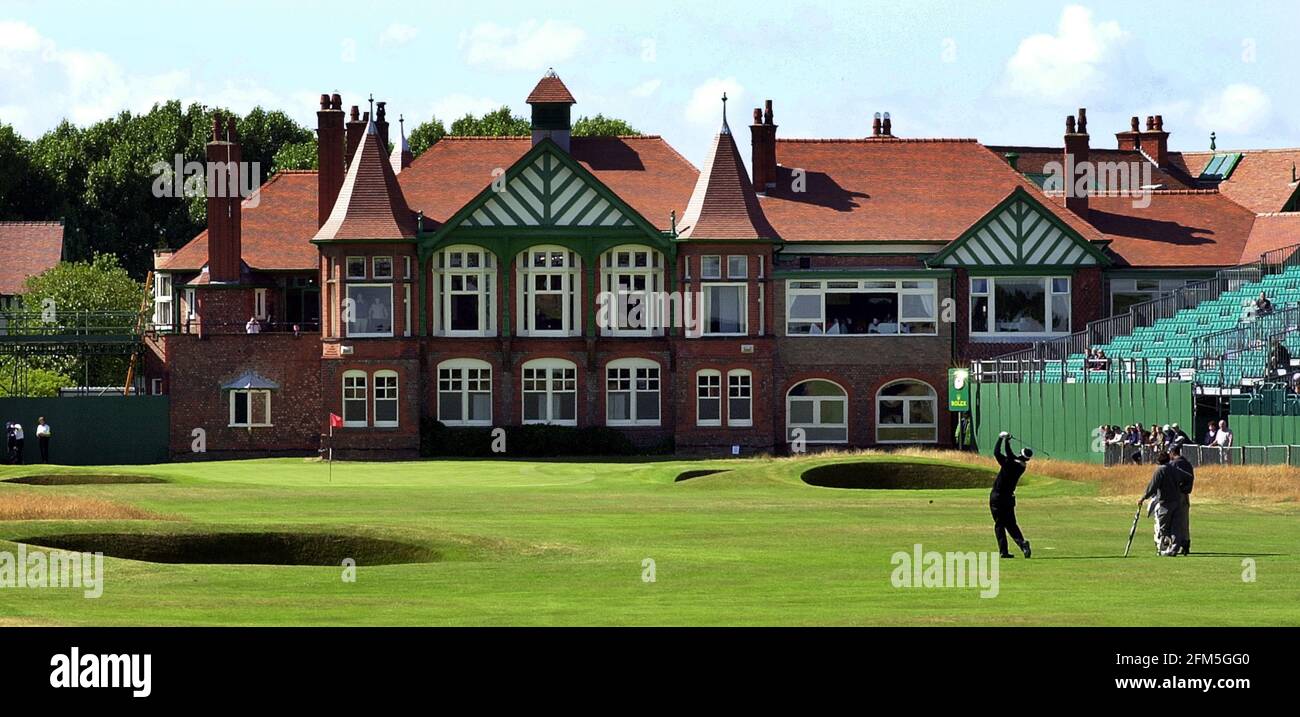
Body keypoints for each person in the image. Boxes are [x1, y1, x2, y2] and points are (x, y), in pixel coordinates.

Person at [991, 432, 1032, 559]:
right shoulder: (1021, 466)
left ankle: (1003, 551)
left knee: (999, 525)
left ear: (1020, 453)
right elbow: (1008, 454)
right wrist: (1006, 441)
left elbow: (997, 453)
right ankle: (1022, 544)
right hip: (1009, 498)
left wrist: (1002, 439)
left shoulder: (1010, 462)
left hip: (997, 497)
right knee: (1011, 524)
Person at [1138, 451, 1184, 556]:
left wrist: (1143, 498)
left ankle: (1163, 547)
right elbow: (1185, 478)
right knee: (1175, 526)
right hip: (1176, 501)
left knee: (1163, 527)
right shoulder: (1175, 469)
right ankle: (1174, 549)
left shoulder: (1160, 470)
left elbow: (1152, 486)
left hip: (1165, 502)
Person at [1169, 444, 1194, 555]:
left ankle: (1176, 544)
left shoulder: (1174, 464)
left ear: (1173, 452)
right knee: (1185, 521)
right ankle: (1186, 544)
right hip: (1185, 495)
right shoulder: (1188, 464)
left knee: (1175, 522)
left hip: (1176, 495)